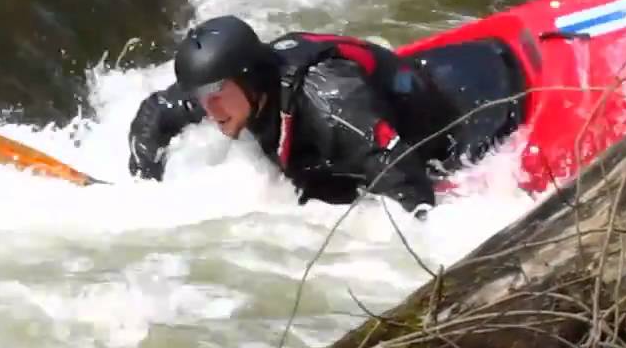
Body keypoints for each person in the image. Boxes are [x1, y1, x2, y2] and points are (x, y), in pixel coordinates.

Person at [126, 15, 523, 216]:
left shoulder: (332, 104)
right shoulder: (228, 87)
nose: (208, 110)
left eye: (214, 96)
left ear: (247, 78)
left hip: (470, 114)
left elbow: (410, 190)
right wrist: (146, 189)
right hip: (373, 114)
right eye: (201, 97)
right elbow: (155, 113)